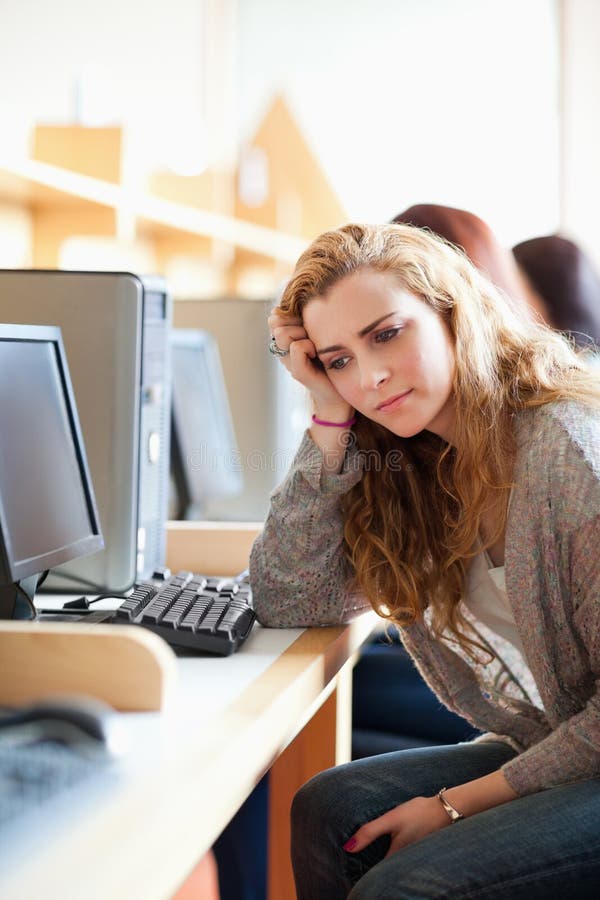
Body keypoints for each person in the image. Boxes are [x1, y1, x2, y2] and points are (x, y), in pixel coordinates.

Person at [250, 222, 600, 899]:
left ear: (452, 312)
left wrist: (452, 805)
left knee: (410, 884)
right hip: (568, 740)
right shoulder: (407, 461)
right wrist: (327, 413)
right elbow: (295, 597)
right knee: (331, 809)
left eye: (386, 334)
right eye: (337, 359)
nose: (371, 376)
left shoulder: (568, 456)